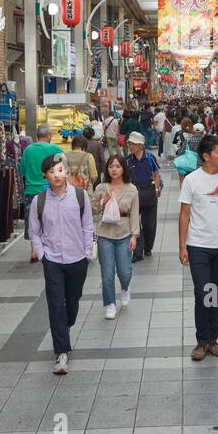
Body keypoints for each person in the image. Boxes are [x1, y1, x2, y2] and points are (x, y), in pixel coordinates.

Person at [27, 154, 94, 375]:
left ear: (66, 172)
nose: (57, 175)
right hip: (52, 260)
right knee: (56, 304)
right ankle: (61, 352)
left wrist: (86, 252)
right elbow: (34, 232)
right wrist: (42, 253)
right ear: (45, 175)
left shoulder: (80, 196)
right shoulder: (40, 201)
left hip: (77, 258)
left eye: (60, 170)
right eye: (52, 171)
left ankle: (66, 324)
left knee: (72, 301)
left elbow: (87, 226)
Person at [178, 134, 218, 361]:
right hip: (198, 246)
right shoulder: (191, 180)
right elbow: (184, 215)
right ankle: (201, 340)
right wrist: (182, 246)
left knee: (216, 292)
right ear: (205, 156)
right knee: (203, 291)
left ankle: (213, 338)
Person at [93, 155, 140, 320]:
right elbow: (93, 210)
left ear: (123, 169)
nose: (114, 169)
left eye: (118, 166)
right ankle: (110, 304)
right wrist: (102, 202)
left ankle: (125, 287)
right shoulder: (101, 187)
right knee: (107, 272)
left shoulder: (131, 189)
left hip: (124, 233)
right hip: (105, 233)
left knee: (124, 271)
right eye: (111, 166)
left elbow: (134, 213)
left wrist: (134, 235)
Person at [19, 125, 63, 261]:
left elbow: (22, 171)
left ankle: (34, 251)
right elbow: (64, 166)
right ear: (49, 136)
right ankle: (49, 248)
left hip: (31, 190)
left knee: (33, 220)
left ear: (37, 136)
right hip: (49, 190)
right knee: (50, 220)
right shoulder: (55, 149)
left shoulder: (27, 150)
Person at [124, 131, 162, 262]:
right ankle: (138, 252)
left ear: (140, 145)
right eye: (130, 144)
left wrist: (156, 188)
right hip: (134, 193)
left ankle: (148, 247)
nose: (131, 146)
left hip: (149, 192)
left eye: (133, 144)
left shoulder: (150, 158)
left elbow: (157, 174)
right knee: (135, 224)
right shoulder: (128, 160)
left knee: (149, 224)